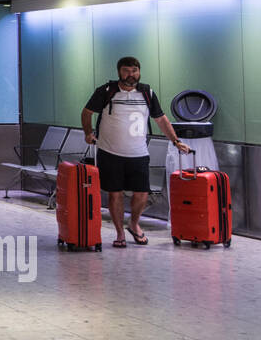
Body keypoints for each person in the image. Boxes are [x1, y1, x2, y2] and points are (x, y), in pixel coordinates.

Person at [82, 56, 191, 247]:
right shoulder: (107, 91)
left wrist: (175, 141)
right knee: (115, 194)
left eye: (134, 71)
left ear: (139, 72)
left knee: (142, 194)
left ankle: (133, 224)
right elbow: (87, 112)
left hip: (138, 153)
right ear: (119, 72)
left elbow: (161, 119)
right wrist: (88, 133)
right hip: (109, 152)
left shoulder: (147, 92)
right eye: (126, 70)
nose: (131, 75)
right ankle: (119, 233)